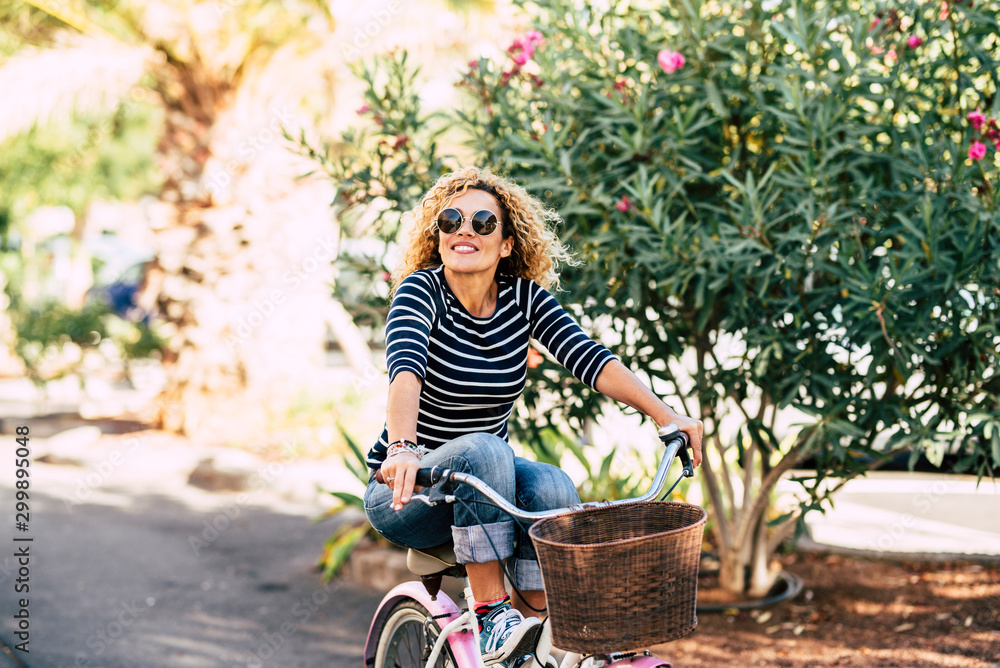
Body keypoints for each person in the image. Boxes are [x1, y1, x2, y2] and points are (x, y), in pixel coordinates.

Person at [364, 167, 704, 667]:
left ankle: (534, 640)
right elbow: (405, 370)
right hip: (408, 489)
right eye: (451, 219)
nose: (465, 229)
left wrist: (666, 415)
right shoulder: (421, 292)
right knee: (485, 448)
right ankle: (490, 616)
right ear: (436, 236)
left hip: (483, 485)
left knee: (551, 485)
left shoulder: (523, 300)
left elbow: (588, 357)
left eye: (483, 222)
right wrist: (402, 448)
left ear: (505, 244)